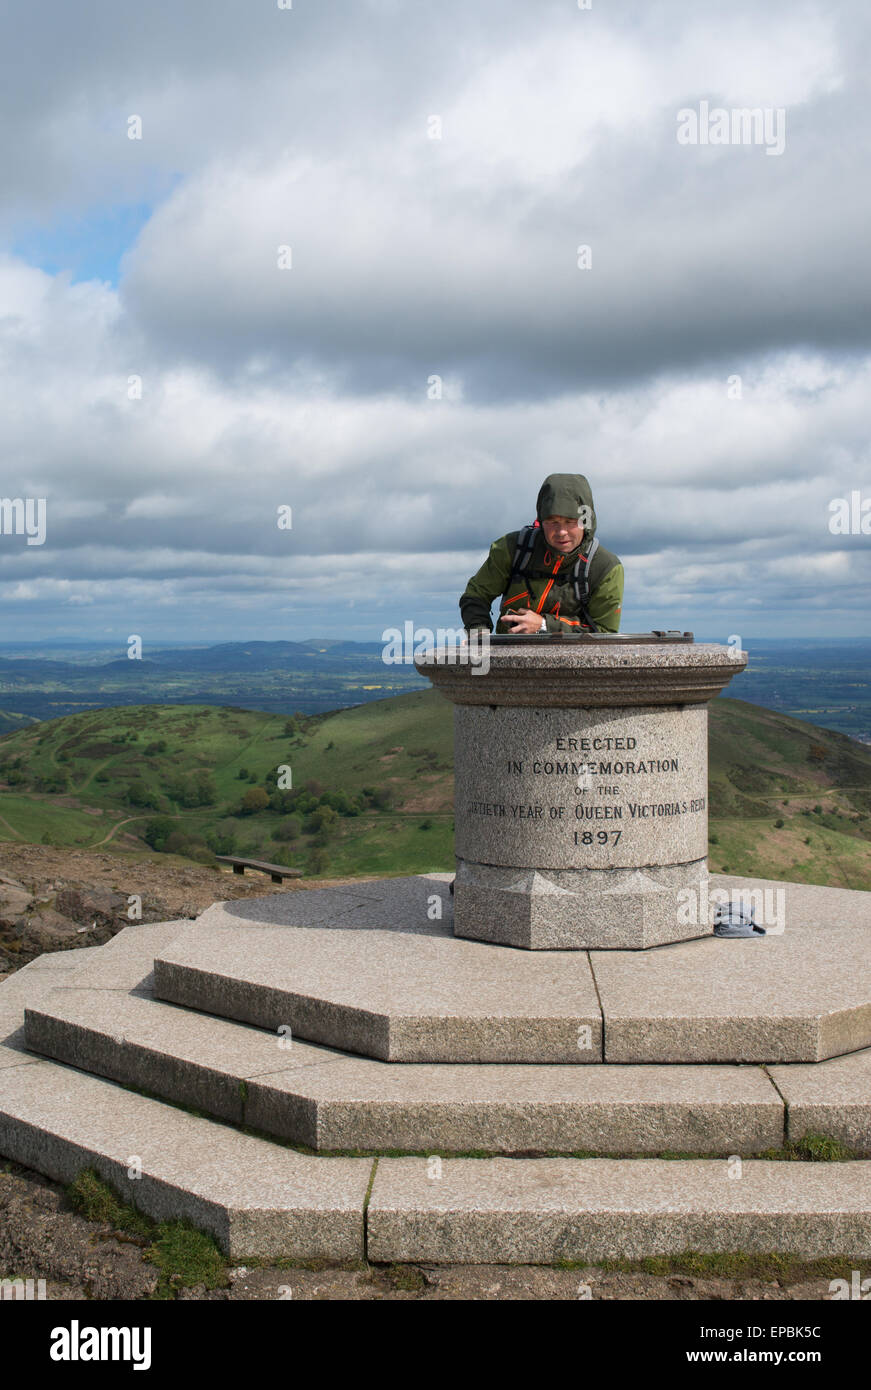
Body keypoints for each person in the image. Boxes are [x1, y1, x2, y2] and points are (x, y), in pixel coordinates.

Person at [460, 473, 623, 635]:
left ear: (586, 521)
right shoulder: (512, 548)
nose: (561, 532)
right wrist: (479, 633)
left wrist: (543, 625)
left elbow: (604, 632)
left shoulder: (605, 568)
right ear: (541, 520)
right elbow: (476, 595)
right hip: (508, 650)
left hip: (577, 657)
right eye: (553, 522)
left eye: (570, 522)